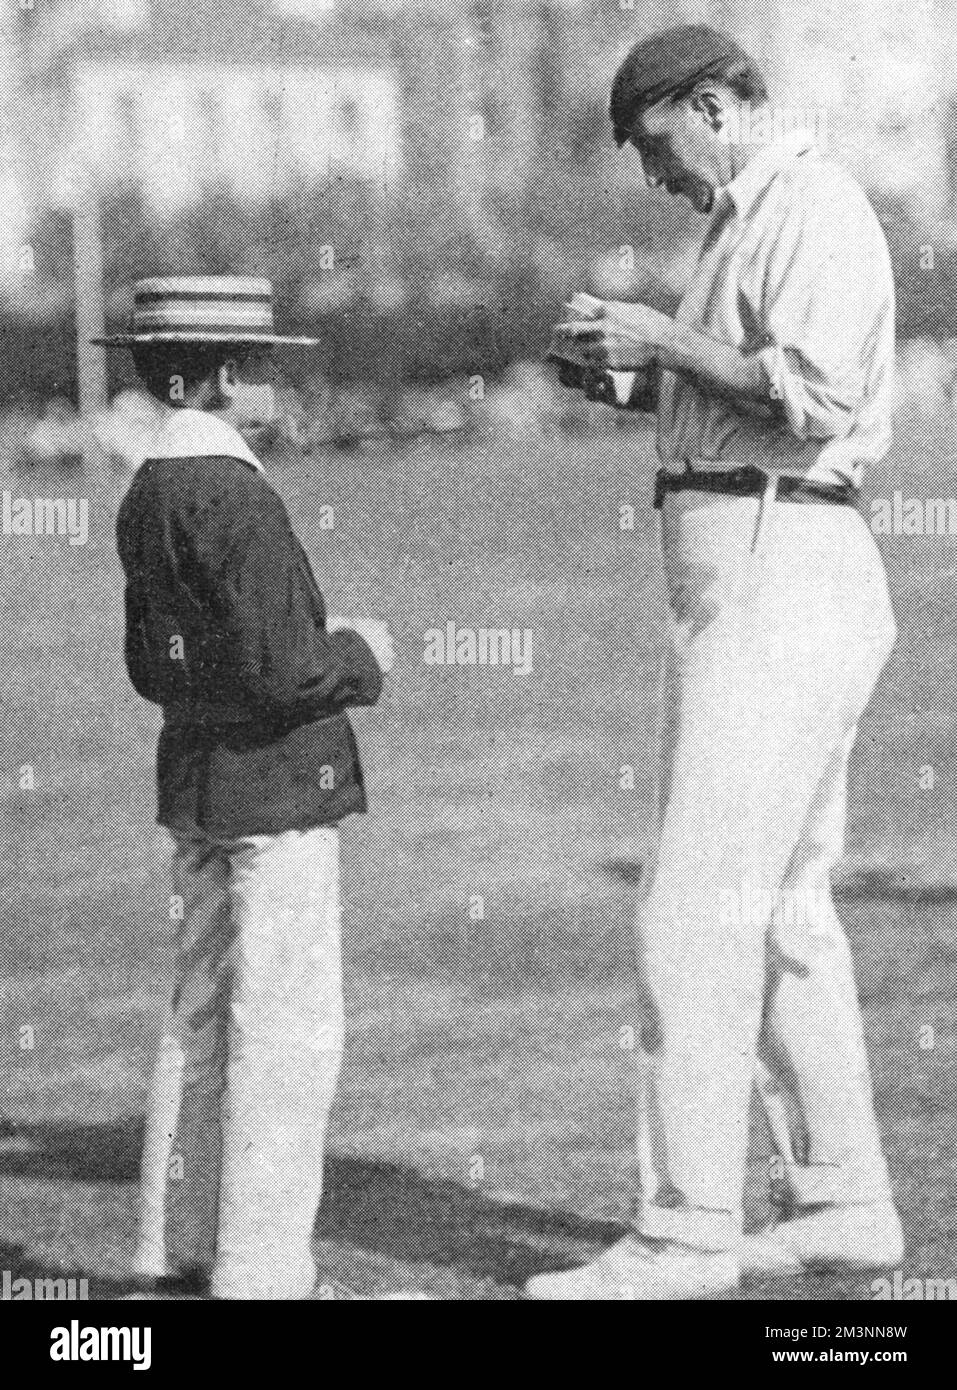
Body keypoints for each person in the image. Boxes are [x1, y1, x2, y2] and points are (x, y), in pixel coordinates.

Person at [529, 24, 903, 1298]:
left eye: (654, 146)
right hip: (748, 565)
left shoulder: (816, 205)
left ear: (715, 105)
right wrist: (627, 379)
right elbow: (735, 392)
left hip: (783, 564)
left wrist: (658, 334)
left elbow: (813, 395)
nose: (652, 177)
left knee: (693, 906)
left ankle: (684, 1232)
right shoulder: (746, 220)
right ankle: (842, 1198)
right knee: (788, 910)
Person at [105, 275, 393, 1299]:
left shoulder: (148, 492)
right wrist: (361, 656)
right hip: (276, 795)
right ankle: (264, 1268)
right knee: (288, 1028)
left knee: (198, 1020)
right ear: (225, 375)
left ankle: (174, 1244)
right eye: (262, 362)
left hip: (194, 788)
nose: (272, 377)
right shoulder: (241, 496)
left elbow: (153, 666)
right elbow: (284, 671)